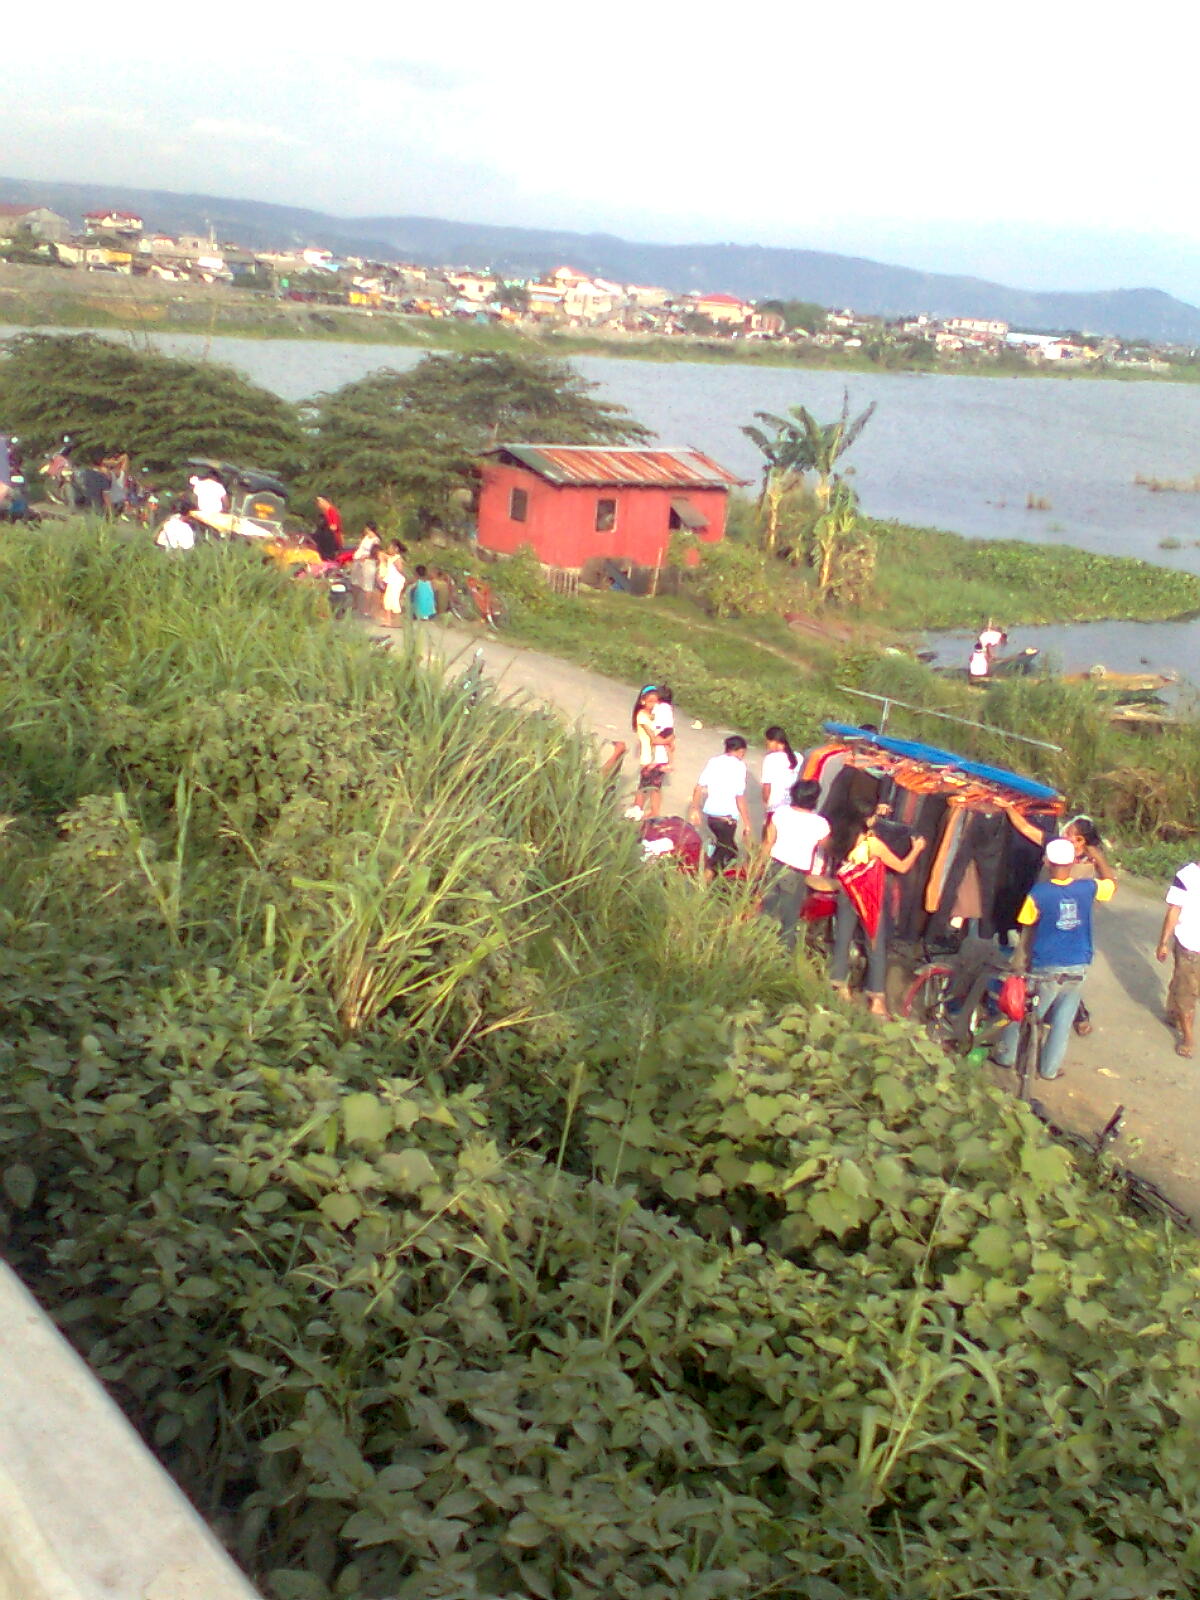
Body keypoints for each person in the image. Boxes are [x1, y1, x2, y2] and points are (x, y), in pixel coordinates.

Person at [994, 836, 1116, 1081]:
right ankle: (1049, 1069)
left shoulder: (1039, 893)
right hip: (1078, 965)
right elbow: (1111, 883)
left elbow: (1026, 921)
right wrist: (1099, 857)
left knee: (1024, 1012)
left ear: (1047, 862)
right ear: (1072, 863)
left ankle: (1006, 1055)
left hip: (1047, 966)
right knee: (1063, 1020)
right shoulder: (1087, 888)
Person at [829, 800, 927, 1017]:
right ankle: (876, 999)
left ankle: (840, 987)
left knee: (843, 939)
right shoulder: (873, 844)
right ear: (870, 819)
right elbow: (902, 867)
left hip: (847, 892)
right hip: (870, 896)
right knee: (875, 945)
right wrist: (916, 849)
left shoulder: (844, 836)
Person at [758, 777, 832, 951]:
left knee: (766, 913)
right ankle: (783, 957)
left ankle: (758, 948)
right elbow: (828, 847)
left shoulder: (781, 813)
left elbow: (768, 842)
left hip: (774, 866)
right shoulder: (820, 824)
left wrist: (759, 866)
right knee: (789, 920)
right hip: (795, 874)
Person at [689, 735, 752, 879]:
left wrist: (694, 808)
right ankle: (704, 881)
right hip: (727, 819)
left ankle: (718, 877)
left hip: (712, 817)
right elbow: (739, 797)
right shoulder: (739, 766)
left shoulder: (714, 762)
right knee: (723, 853)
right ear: (740, 751)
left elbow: (698, 787)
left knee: (730, 850)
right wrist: (747, 823)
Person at [1156, 861, 1200, 1059]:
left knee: (1187, 984)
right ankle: (1188, 1037)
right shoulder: (1187, 875)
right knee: (1186, 991)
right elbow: (1174, 909)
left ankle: (1174, 1012)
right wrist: (1164, 941)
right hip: (1189, 943)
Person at [632, 687, 668, 820]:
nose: (654, 705)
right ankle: (638, 809)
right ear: (643, 701)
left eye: (656, 701)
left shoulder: (656, 716)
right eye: (651, 701)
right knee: (645, 786)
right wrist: (668, 741)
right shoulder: (641, 716)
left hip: (657, 757)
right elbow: (653, 737)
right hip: (649, 757)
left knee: (655, 786)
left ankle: (654, 811)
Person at [760, 725, 800, 829]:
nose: (767, 744)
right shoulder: (798, 756)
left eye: (768, 741)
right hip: (793, 805)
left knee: (769, 835)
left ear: (774, 741)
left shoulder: (770, 758)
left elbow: (767, 786)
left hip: (775, 805)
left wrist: (766, 803)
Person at [380, 540, 407, 625]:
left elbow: (400, 569)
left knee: (394, 600)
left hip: (396, 582)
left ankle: (397, 621)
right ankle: (389, 620)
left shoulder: (397, 558)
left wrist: (405, 578)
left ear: (396, 549)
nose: (389, 549)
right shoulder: (393, 558)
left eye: (390, 547)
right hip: (392, 581)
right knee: (388, 600)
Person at [312, 495, 344, 561]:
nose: (318, 504)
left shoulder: (332, 511)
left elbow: (334, 527)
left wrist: (325, 528)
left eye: (320, 501)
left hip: (332, 540)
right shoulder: (325, 512)